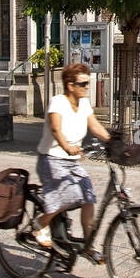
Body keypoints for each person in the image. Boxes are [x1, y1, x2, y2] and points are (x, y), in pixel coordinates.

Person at [32, 62, 111, 259]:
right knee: (69, 195)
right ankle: (40, 224)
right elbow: (55, 128)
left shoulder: (83, 103)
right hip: (51, 160)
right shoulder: (58, 102)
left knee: (88, 196)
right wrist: (66, 146)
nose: (87, 87)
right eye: (83, 84)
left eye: (87, 83)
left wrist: (115, 141)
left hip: (72, 162)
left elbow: (95, 126)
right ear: (70, 85)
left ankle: (88, 245)